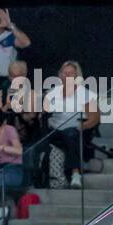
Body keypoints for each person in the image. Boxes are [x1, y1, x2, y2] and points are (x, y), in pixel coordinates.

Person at [43, 61, 100, 190]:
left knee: (70, 135)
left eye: (71, 73)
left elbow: (95, 118)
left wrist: (83, 126)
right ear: (60, 75)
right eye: (65, 73)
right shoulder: (52, 92)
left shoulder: (84, 94)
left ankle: (75, 174)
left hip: (75, 130)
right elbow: (43, 112)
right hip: (54, 131)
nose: (67, 76)